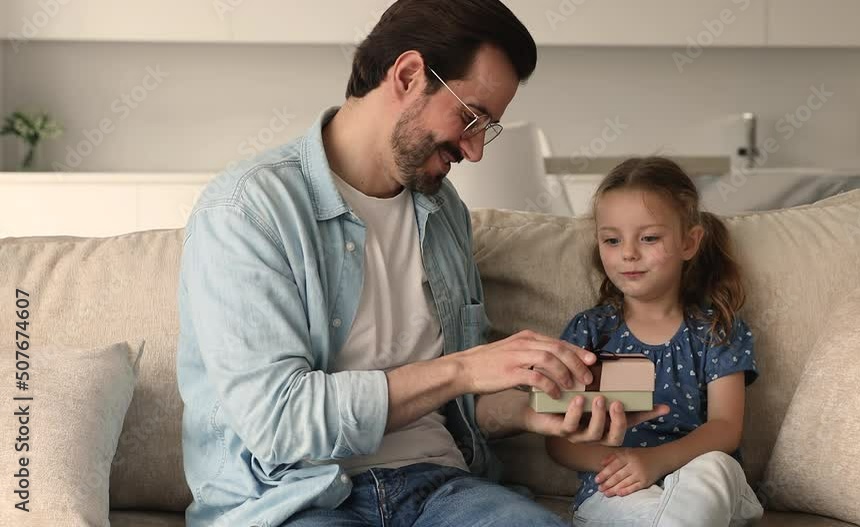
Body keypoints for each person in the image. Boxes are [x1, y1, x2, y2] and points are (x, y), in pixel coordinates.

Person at [175, 1, 668, 526]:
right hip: (297, 498)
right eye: (470, 116)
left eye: (488, 128)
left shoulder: (442, 209)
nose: (475, 151)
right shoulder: (249, 210)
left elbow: (455, 403)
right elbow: (280, 422)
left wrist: (533, 413)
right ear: (409, 75)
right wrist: (461, 369)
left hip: (442, 487)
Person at [546, 157, 765, 526]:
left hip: (704, 478)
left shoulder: (717, 330)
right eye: (612, 240)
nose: (629, 253)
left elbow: (726, 428)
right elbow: (558, 439)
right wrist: (625, 466)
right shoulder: (590, 332)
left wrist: (657, 461)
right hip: (616, 488)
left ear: (689, 242)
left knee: (714, 467)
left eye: (649, 238)